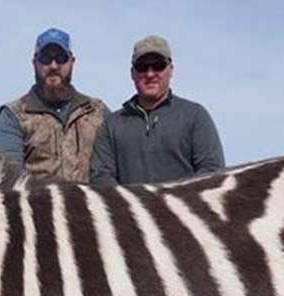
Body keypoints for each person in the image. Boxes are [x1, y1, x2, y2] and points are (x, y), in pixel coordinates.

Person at [90, 35, 224, 186]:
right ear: (132, 73)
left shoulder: (195, 116)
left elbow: (213, 171)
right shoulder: (111, 125)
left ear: (171, 70)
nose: (150, 74)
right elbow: (101, 177)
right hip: (128, 209)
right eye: (142, 67)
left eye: (158, 65)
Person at [0, 27, 108, 183]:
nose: (53, 66)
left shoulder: (97, 111)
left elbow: (112, 170)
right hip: (38, 206)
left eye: (61, 58)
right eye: (45, 58)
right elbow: (9, 179)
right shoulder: (13, 115)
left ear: (72, 62)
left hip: (90, 205)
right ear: (35, 63)